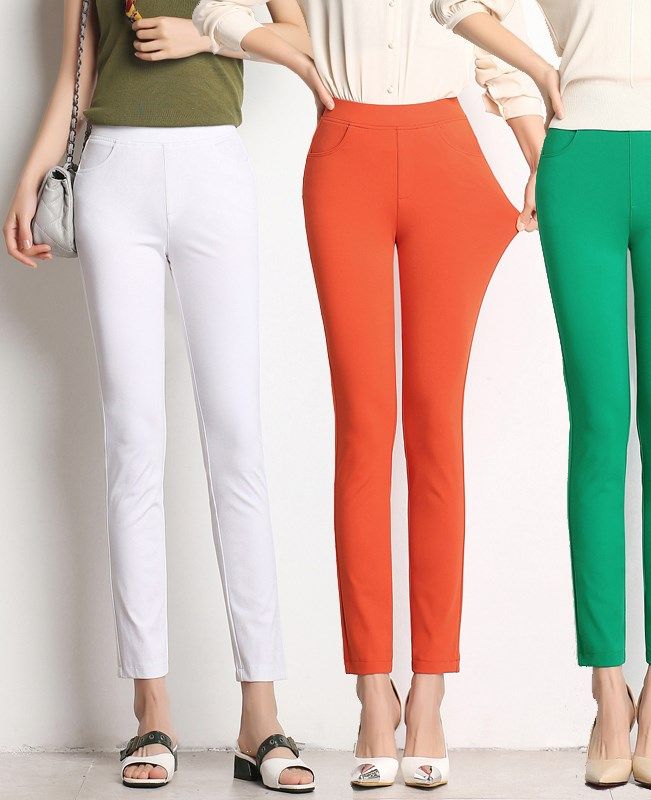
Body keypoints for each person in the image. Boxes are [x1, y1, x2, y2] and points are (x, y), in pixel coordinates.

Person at [194, 0, 545, 789]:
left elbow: (502, 43)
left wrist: (538, 155)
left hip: (446, 150)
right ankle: (371, 694)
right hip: (345, 148)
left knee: (435, 433)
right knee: (363, 429)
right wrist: (278, 50)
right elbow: (216, 7)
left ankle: (429, 695)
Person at [432, 0, 651, 790]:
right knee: (597, 427)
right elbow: (455, 7)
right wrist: (535, 90)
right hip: (577, 160)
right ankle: (606, 691)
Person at [3, 0, 331, 790]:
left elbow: (300, 42)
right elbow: (75, 72)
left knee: (237, 441)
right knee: (132, 441)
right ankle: (151, 710)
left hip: (213, 166)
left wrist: (206, 33)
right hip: (114, 171)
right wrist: (29, 175)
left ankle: (261, 716)